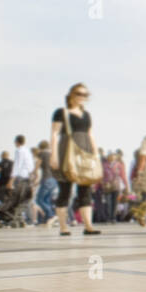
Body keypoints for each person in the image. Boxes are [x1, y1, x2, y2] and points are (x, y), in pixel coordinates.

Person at [50, 83, 101, 236]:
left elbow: (90, 134)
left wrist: (96, 154)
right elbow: (54, 134)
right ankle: (63, 227)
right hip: (66, 152)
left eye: (85, 95)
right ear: (71, 94)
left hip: (84, 153)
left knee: (85, 190)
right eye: (79, 93)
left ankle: (88, 226)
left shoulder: (87, 115)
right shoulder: (61, 113)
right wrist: (54, 155)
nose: (82, 97)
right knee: (64, 189)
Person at [9, 135, 34, 221]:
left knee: (18, 199)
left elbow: (17, 165)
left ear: (17, 142)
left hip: (20, 177)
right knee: (25, 200)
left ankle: (18, 218)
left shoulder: (19, 150)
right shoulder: (27, 151)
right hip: (27, 177)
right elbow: (30, 166)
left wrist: (11, 180)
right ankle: (29, 219)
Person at [34, 140, 57, 225]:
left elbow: (38, 164)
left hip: (46, 179)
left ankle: (51, 215)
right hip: (54, 180)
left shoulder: (42, 153)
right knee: (46, 200)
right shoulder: (51, 154)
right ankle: (48, 218)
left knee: (39, 199)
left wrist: (34, 172)